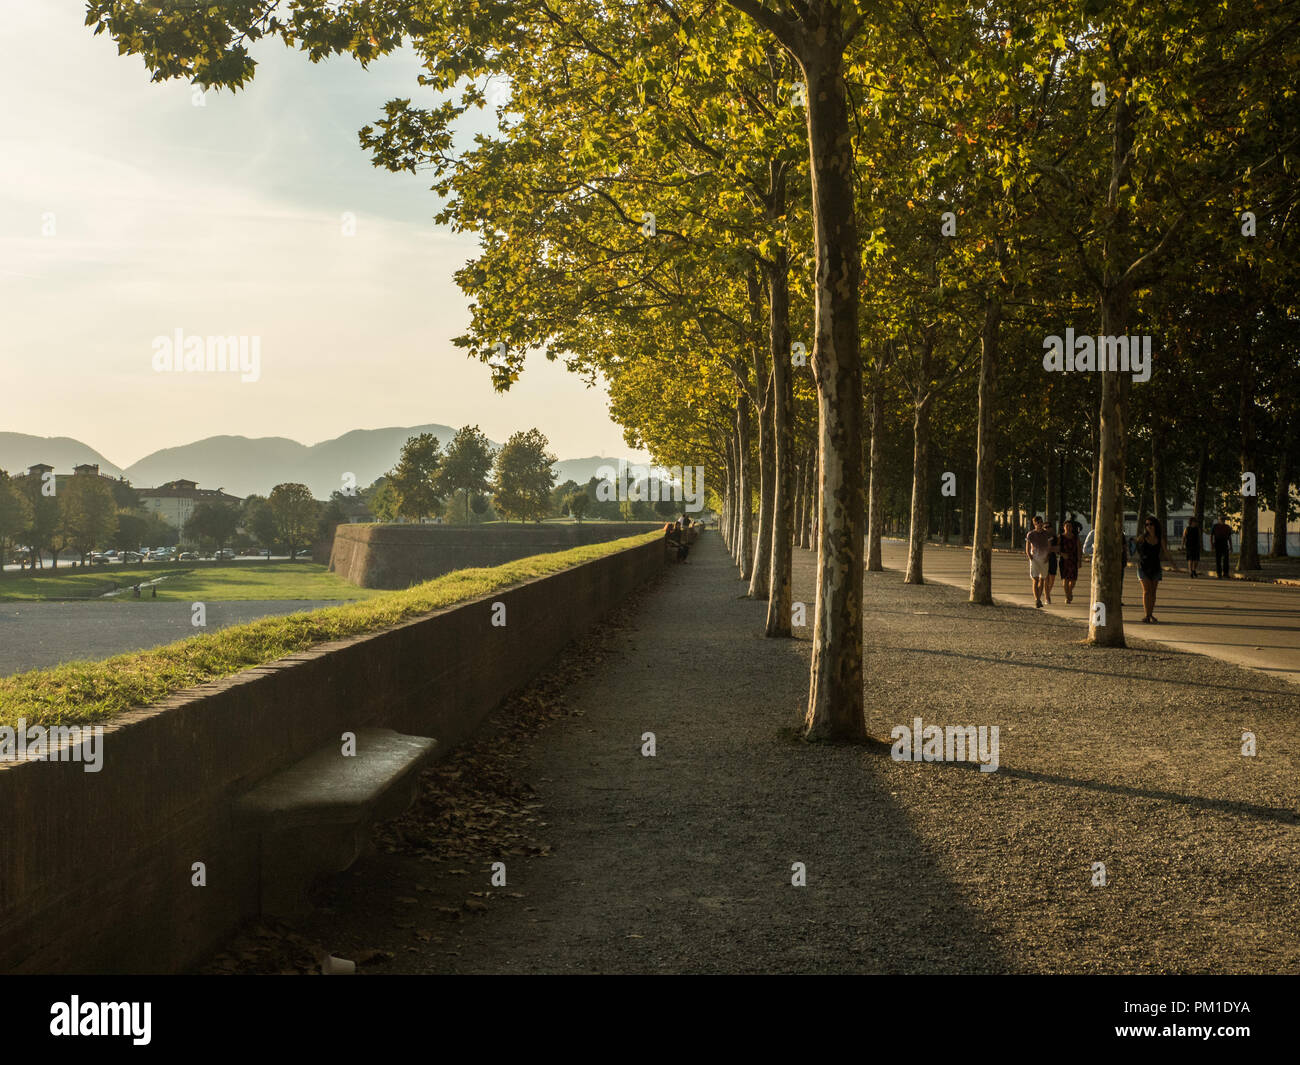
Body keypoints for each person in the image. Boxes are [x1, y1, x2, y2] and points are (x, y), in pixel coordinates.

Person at [1136, 515, 1180, 623]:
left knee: (1153, 592)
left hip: (1155, 567)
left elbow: (1166, 552)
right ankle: (1146, 615)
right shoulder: (1142, 538)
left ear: (1155, 525)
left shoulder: (1160, 539)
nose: (1149, 527)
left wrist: (1174, 565)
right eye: (1147, 525)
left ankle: (1150, 614)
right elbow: (1134, 546)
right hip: (1143, 567)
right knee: (1146, 591)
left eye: (1151, 524)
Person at [1024, 515, 1053, 608]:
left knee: (1042, 579)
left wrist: (1048, 556)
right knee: (1035, 579)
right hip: (1035, 559)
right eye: (1038, 522)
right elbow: (1027, 548)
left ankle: (1039, 598)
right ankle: (1037, 599)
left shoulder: (1047, 534)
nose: (1040, 524)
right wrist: (1030, 557)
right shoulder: (1030, 534)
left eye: (1041, 522)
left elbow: (1049, 546)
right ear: (1034, 524)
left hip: (1044, 559)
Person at [1058, 519, 1081, 604]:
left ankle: (1070, 591)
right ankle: (1067, 596)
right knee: (1065, 579)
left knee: (1073, 580)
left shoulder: (1075, 537)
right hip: (1064, 560)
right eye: (1066, 526)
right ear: (1064, 527)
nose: (1068, 527)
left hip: (1073, 560)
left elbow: (1079, 549)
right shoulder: (1060, 537)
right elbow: (1057, 548)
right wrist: (1061, 554)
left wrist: (1079, 560)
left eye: (1070, 526)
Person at [1043, 519, 1060, 604]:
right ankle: (1047, 597)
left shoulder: (1055, 537)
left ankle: (1047, 593)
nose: (1047, 529)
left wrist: (1050, 549)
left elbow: (1058, 549)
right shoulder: (1041, 537)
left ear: (1051, 528)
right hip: (1045, 558)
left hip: (1053, 558)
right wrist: (1051, 549)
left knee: (1052, 578)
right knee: (1046, 578)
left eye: (1048, 527)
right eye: (1045, 527)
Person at [1211, 514, 1233, 578]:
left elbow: (1229, 537)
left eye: (1223, 520)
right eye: (1221, 519)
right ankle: (1219, 573)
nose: (1223, 521)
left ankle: (1226, 573)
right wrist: (1212, 544)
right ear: (1219, 520)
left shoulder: (1227, 527)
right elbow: (1212, 535)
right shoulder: (1215, 526)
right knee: (1218, 559)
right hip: (1217, 543)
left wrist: (1231, 546)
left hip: (1224, 543)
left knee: (1226, 559)